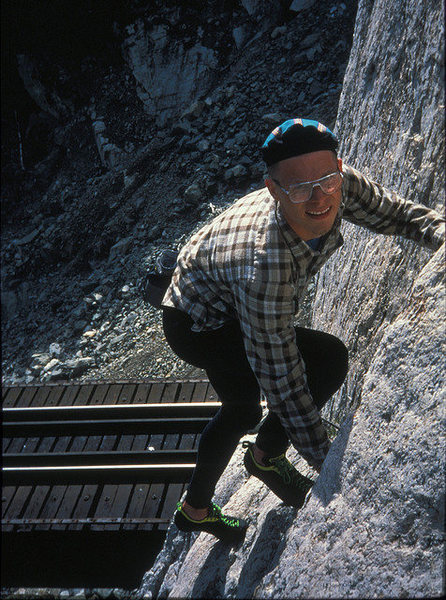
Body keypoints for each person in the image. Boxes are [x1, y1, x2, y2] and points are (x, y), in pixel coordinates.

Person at [161, 118, 445, 544]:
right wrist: (327, 462)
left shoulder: (337, 183)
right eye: (298, 188)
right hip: (198, 321)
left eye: (327, 180)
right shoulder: (265, 264)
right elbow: (282, 379)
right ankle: (243, 475)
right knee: (312, 369)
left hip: (221, 286)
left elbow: (400, 215)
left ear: (339, 167)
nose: (318, 198)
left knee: (248, 405)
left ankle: (218, 491)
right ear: (273, 189)